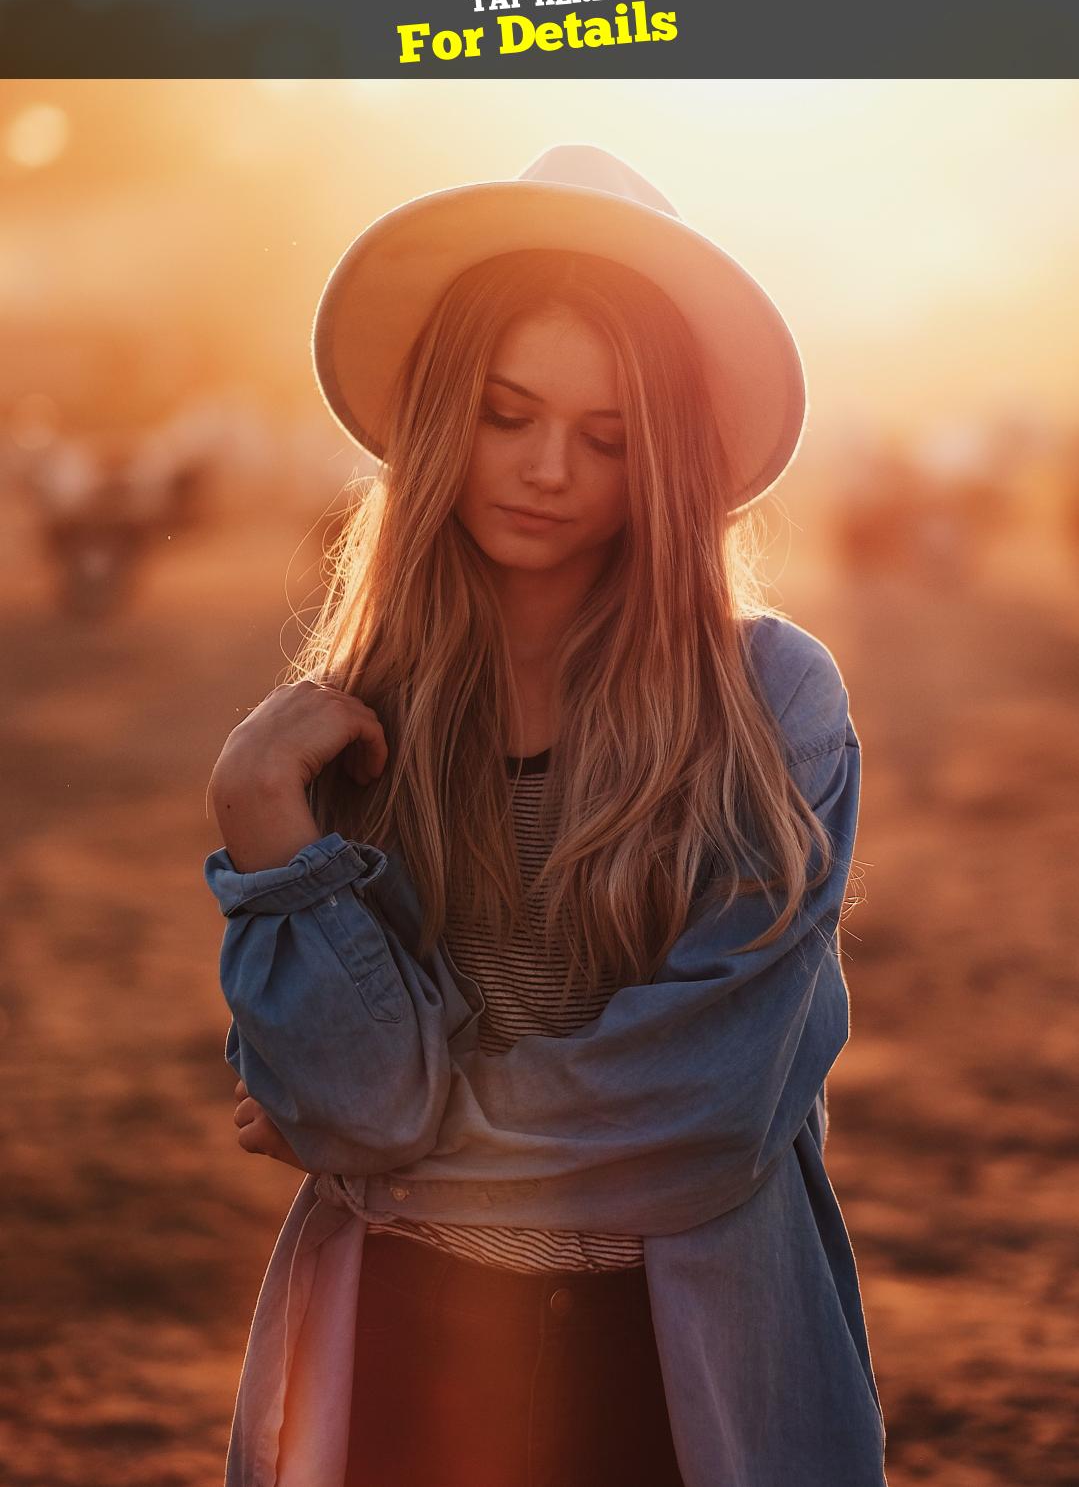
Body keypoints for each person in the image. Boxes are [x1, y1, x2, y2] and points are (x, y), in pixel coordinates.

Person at [203, 144, 888, 1487]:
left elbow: (695, 1116)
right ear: (446, 410)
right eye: (509, 414)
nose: (548, 471)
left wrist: (387, 1153)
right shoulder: (345, 723)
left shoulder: (771, 702)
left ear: (672, 458)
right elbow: (346, 1090)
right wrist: (259, 820)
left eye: (609, 437)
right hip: (404, 1357)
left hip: (671, 1373)